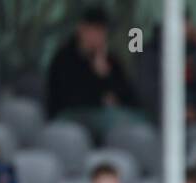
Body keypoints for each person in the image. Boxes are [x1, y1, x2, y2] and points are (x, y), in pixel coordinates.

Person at [45, 6, 142, 138]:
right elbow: (66, 98)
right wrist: (101, 97)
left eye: (103, 31)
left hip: (108, 123)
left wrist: (105, 75)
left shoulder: (111, 61)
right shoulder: (64, 59)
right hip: (70, 121)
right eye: (95, 30)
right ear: (82, 29)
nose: (100, 36)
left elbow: (129, 98)